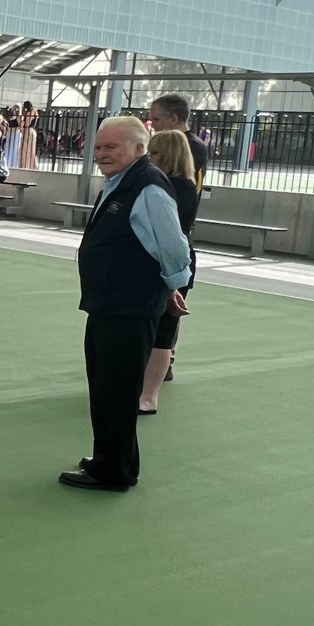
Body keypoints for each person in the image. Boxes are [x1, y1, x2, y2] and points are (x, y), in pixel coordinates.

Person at [59, 116, 190, 493]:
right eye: (98, 147)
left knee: (116, 392)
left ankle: (115, 471)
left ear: (138, 148)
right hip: (110, 305)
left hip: (129, 308)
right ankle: (107, 459)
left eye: (111, 147)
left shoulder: (147, 187)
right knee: (105, 389)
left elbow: (173, 245)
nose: (102, 154)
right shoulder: (121, 183)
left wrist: (172, 286)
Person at [139, 130, 199, 415]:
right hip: (156, 262)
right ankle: (142, 388)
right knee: (149, 328)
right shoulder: (166, 184)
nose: (149, 159)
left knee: (164, 329)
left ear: (169, 156)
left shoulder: (179, 188)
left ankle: (149, 396)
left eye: (155, 154)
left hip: (172, 264)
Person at [149, 93, 208, 193]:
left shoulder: (190, 145)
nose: (152, 124)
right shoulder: (193, 143)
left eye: (156, 119)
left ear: (173, 119)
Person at [19, 100, 39, 169]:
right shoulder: (34, 111)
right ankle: (31, 165)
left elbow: (27, 123)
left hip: (28, 131)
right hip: (31, 131)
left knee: (26, 149)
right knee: (31, 149)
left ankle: (26, 165)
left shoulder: (30, 113)